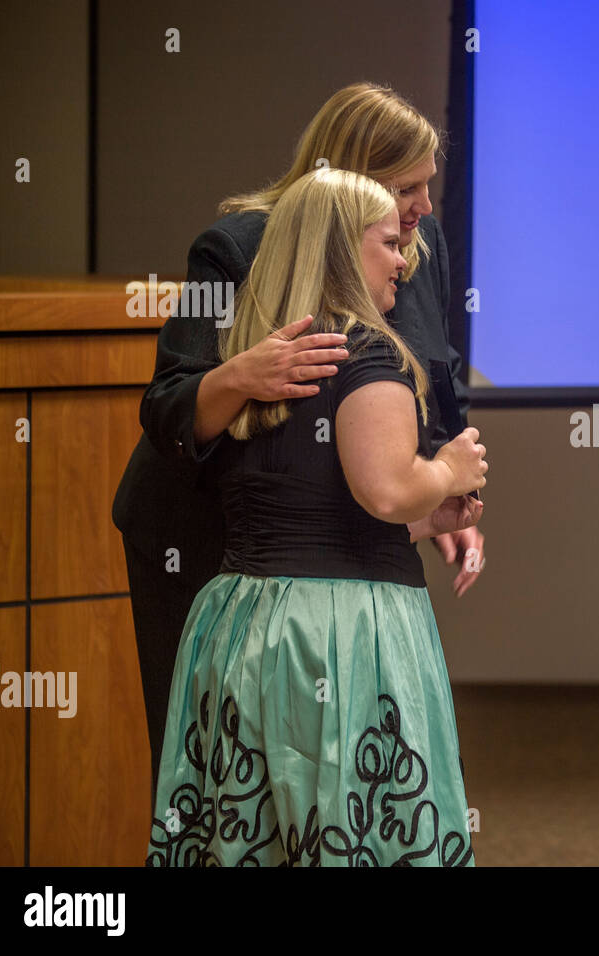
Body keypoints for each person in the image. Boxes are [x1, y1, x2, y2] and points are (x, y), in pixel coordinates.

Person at [112, 84, 486, 785]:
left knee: (359, 781)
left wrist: (434, 485)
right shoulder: (234, 248)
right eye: (408, 189)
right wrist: (238, 376)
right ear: (349, 182)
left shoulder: (416, 240)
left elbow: (434, 367)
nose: (424, 212)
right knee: (221, 779)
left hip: (341, 551)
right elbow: (167, 407)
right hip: (207, 546)